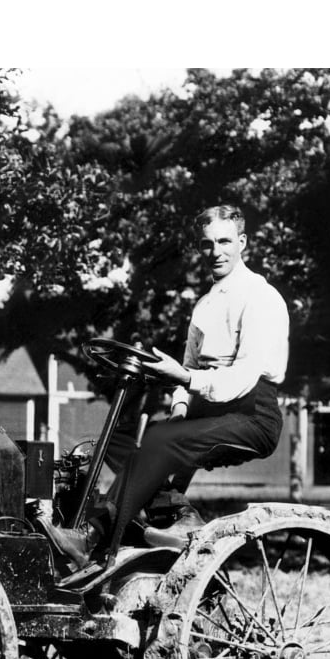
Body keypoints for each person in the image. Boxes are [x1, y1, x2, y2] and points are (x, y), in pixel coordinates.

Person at [40, 203, 290, 568]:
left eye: (224, 241)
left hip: (253, 414)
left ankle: (90, 537)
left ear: (242, 242)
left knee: (159, 440)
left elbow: (240, 378)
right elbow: (188, 369)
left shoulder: (260, 297)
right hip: (209, 410)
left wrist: (184, 379)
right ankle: (167, 514)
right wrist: (180, 406)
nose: (215, 252)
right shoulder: (205, 305)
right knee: (122, 442)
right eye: (206, 245)